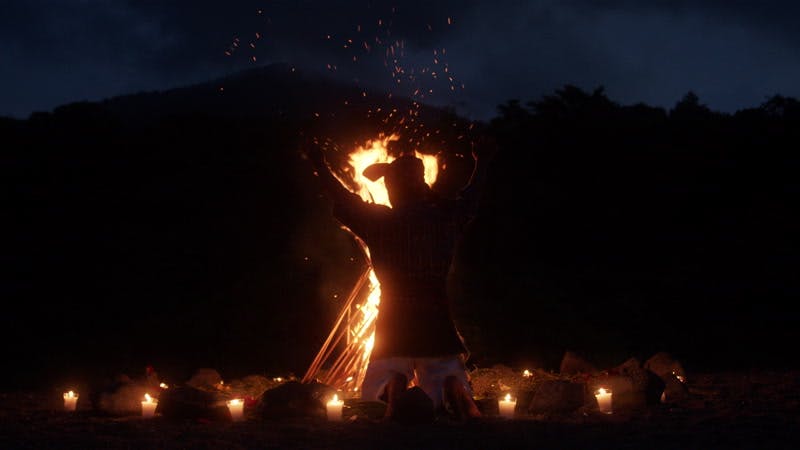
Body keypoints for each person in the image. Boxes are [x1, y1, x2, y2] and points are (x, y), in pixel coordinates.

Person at [305, 136, 493, 421]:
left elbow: (342, 197)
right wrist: (483, 161)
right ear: (422, 186)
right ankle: (455, 389)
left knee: (375, 391)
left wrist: (320, 164)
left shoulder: (379, 221)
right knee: (440, 378)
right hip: (436, 319)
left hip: (394, 322)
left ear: (393, 189)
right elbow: (472, 197)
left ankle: (392, 388)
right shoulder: (445, 216)